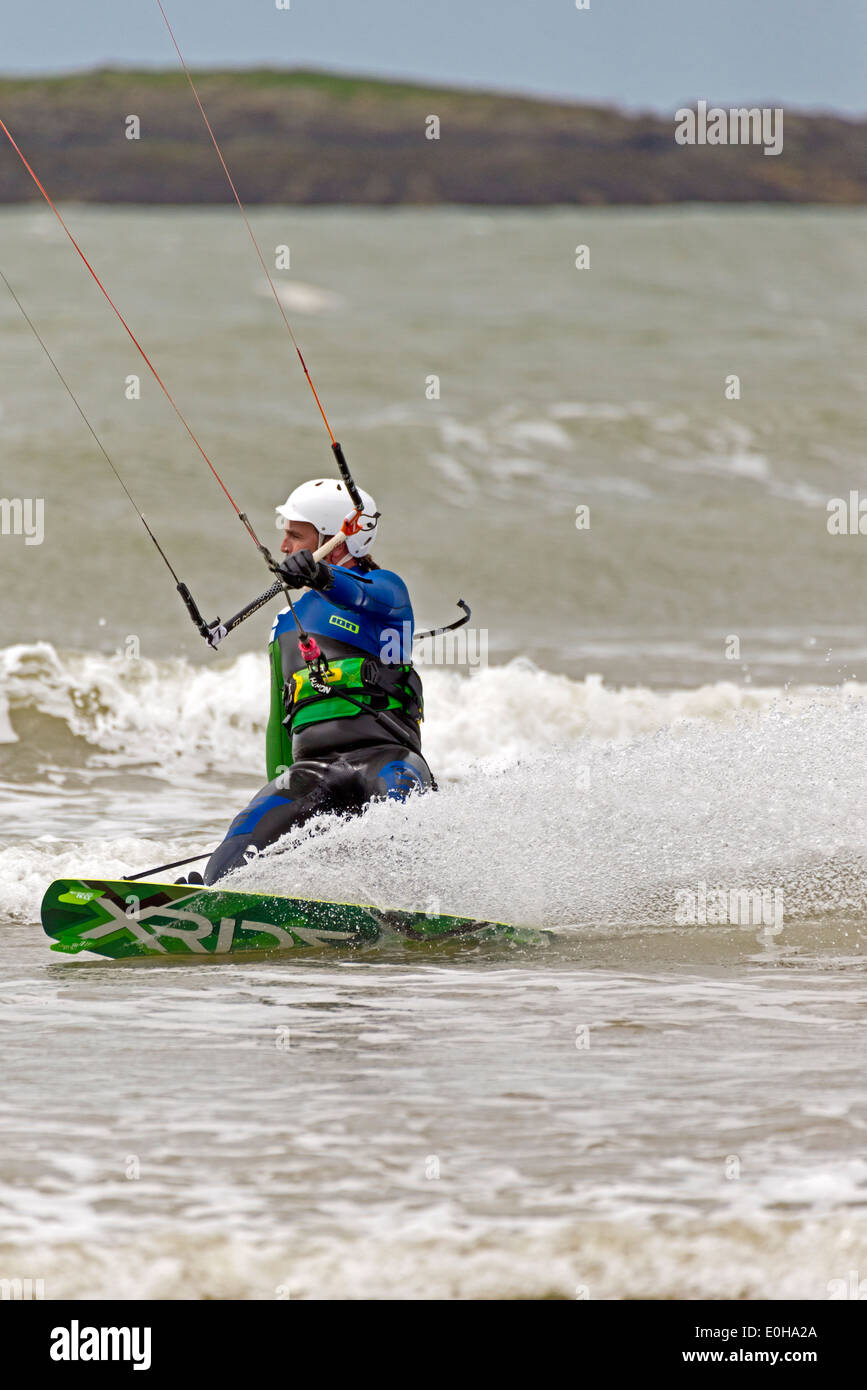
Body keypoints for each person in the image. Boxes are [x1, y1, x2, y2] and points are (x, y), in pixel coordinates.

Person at [201, 477, 434, 884]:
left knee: (399, 824)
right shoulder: (284, 624)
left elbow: (363, 595)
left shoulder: (386, 591)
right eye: (285, 535)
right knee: (237, 848)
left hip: (387, 759)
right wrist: (279, 785)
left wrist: (322, 575)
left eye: (295, 534)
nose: (285, 546)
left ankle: (423, 905)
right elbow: (280, 720)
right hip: (311, 770)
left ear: (336, 539)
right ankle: (214, 900)